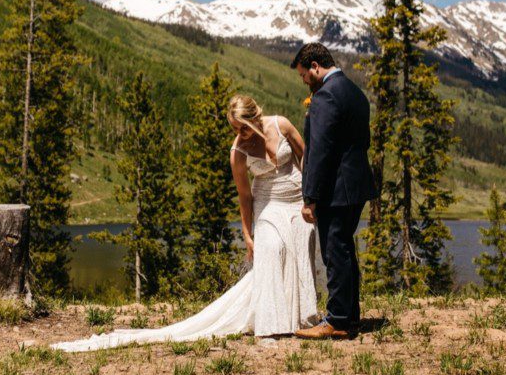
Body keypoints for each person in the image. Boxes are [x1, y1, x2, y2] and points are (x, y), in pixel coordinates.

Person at [51, 95, 318, 351]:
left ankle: (300, 318)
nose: (238, 134)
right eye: (234, 129)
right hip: (267, 203)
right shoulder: (237, 151)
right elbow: (245, 196)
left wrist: (310, 197)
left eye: (242, 128)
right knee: (270, 248)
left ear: (254, 117)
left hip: (297, 199)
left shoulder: (280, 124)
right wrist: (248, 235)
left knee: (300, 245)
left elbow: (306, 155)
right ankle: (270, 326)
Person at [291, 42, 378, 339]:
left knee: (334, 251)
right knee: (344, 250)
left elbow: (321, 152)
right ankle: (350, 316)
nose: (304, 81)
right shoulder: (355, 92)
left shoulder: (326, 95)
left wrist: (310, 197)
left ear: (315, 66)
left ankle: (337, 321)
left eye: (304, 75)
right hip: (355, 185)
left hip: (336, 189)